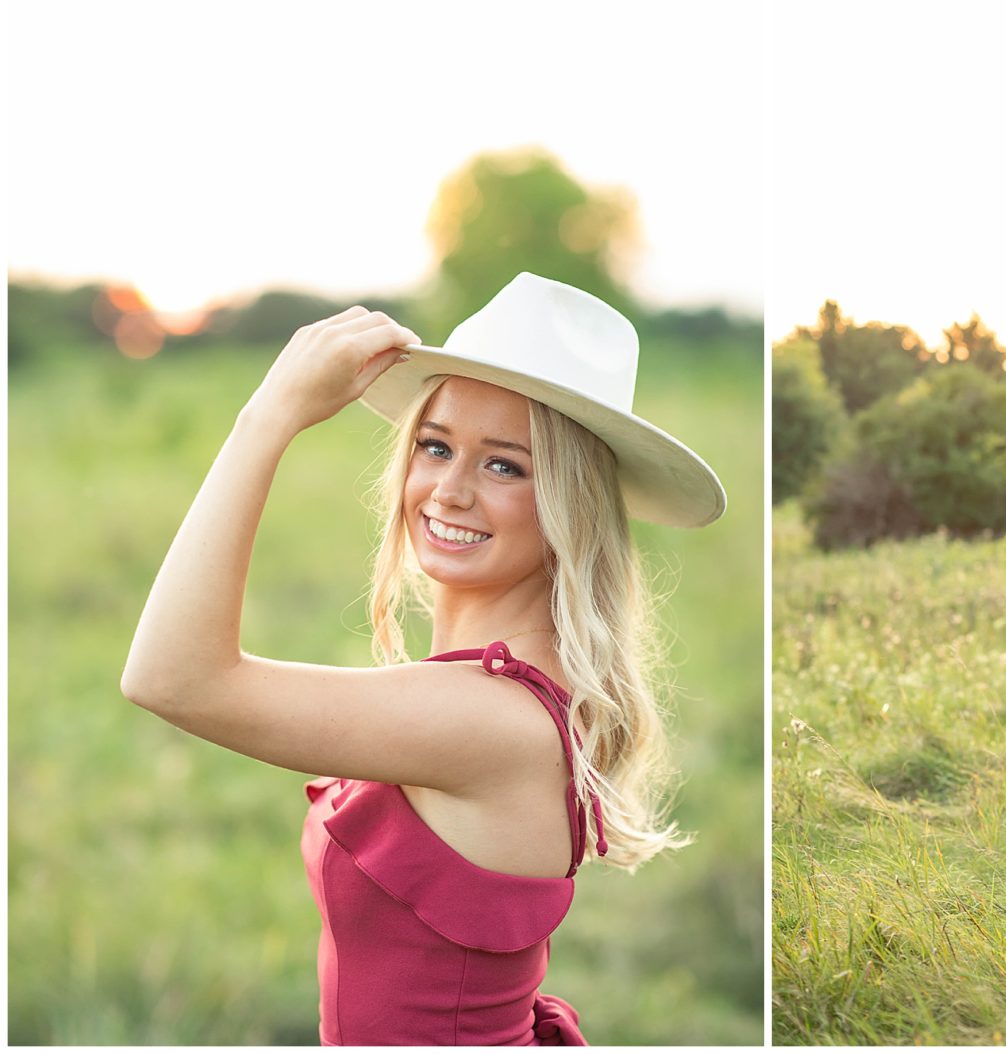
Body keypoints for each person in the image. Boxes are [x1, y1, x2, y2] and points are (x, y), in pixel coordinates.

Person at [122, 272, 725, 1045]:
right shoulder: (500, 688)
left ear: (571, 504)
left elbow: (172, 677)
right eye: (435, 447)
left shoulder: (488, 716)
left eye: (504, 465)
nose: (449, 491)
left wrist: (268, 416)